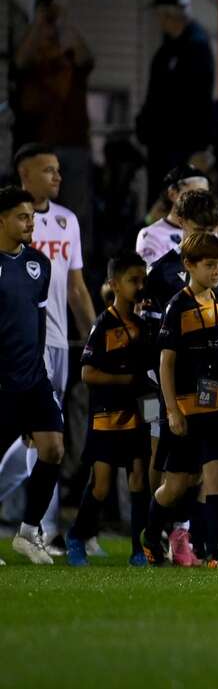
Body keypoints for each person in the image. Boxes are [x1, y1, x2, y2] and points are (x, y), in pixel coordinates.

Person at [0, 145, 97, 548]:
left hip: (52, 348)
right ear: (25, 174)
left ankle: (37, 527)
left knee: (50, 443)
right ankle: (23, 521)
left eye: (59, 170)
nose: (58, 178)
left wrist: (95, 336)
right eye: (48, 171)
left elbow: (76, 288)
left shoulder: (62, 225)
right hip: (12, 358)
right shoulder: (12, 238)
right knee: (28, 442)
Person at [143, 232, 218, 568]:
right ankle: (150, 535)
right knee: (179, 483)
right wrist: (172, 410)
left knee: (216, 477)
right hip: (188, 410)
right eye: (210, 265)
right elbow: (166, 361)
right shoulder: (178, 305)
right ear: (189, 265)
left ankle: (213, 553)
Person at [67, 253, 153, 566]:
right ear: (114, 284)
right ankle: (77, 535)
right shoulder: (103, 325)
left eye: (143, 280)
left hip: (137, 415)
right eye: (133, 281)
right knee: (101, 485)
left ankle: (137, 549)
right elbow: (87, 374)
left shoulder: (144, 326)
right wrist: (125, 379)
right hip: (106, 416)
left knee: (139, 478)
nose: (140, 286)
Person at [0, 187, 68, 566]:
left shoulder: (39, 265)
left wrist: (38, 370)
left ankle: (28, 534)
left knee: (53, 448)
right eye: (23, 217)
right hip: (2, 381)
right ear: (2, 220)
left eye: (33, 217)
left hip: (33, 379)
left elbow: (38, 324)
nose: (31, 223)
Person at [13, 0, 94, 220]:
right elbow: (20, 61)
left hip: (74, 143)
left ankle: (75, 254)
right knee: (35, 210)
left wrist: (64, 21)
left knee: (76, 213)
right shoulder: (33, 53)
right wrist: (38, 24)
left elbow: (85, 57)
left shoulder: (70, 51)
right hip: (39, 145)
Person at [136, 0, 216, 207]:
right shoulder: (168, 49)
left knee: (178, 203)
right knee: (163, 200)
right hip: (164, 143)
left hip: (181, 143)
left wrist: (201, 145)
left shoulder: (195, 47)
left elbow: (199, 99)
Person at [136, 165, 211, 266]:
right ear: (173, 194)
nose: (202, 202)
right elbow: (152, 277)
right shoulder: (151, 235)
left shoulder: (211, 234)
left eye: (205, 196)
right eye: (193, 195)